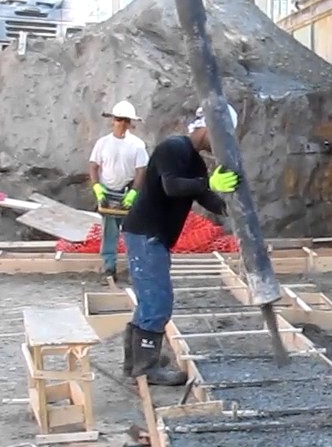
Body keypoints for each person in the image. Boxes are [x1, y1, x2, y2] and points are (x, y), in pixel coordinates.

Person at [121, 103, 241, 386]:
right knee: (158, 302)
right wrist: (208, 182)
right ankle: (146, 368)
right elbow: (172, 186)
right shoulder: (172, 148)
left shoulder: (194, 160)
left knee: (150, 300)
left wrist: (228, 205)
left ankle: (136, 361)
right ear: (209, 127)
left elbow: (203, 196)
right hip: (146, 234)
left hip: (154, 235)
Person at [87, 100, 148, 283]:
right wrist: (97, 187)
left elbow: (141, 171)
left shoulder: (137, 145)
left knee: (133, 230)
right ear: (113, 120)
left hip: (127, 190)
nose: (122, 124)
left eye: (125, 120)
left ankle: (136, 266)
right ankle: (109, 266)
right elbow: (93, 165)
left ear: (131, 123)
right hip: (107, 190)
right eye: (119, 119)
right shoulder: (103, 143)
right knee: (109, 231)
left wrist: (134, 192)